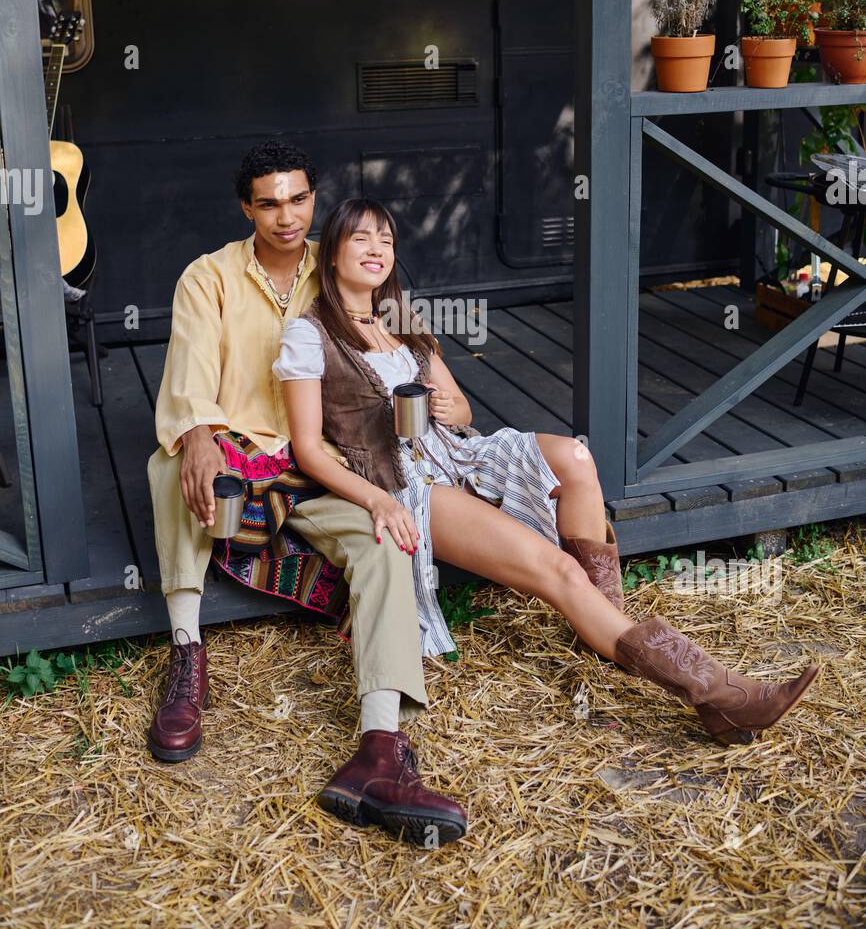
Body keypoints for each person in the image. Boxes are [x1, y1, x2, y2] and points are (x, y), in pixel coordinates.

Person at [275, 197, 819, 847]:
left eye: (386, 240)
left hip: (457, 454)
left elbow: (464, 408)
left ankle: (602, 626)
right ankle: (714, 690)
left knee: (578, 459)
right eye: (360, 237)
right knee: (558, 568)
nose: (376, 249)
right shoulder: (310, 334)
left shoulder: (403, 316)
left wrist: (453, 404)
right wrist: (378, 500)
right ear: (331, 249)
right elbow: (308, 448)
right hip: (407, 481)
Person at [146, 143, 418, 766]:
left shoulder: (340, 265)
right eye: (268, 204)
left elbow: (395, 333)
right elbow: (188, 380)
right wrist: (197, 440)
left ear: (314, 200)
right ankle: (187, 655)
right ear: (247, 208)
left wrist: (439, 394)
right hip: (234, 456)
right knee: (171, 466)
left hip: (318, 461)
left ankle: (381, 739)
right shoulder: (207, 276)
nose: (286, 216)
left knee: (383, 540)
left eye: (298, 200)